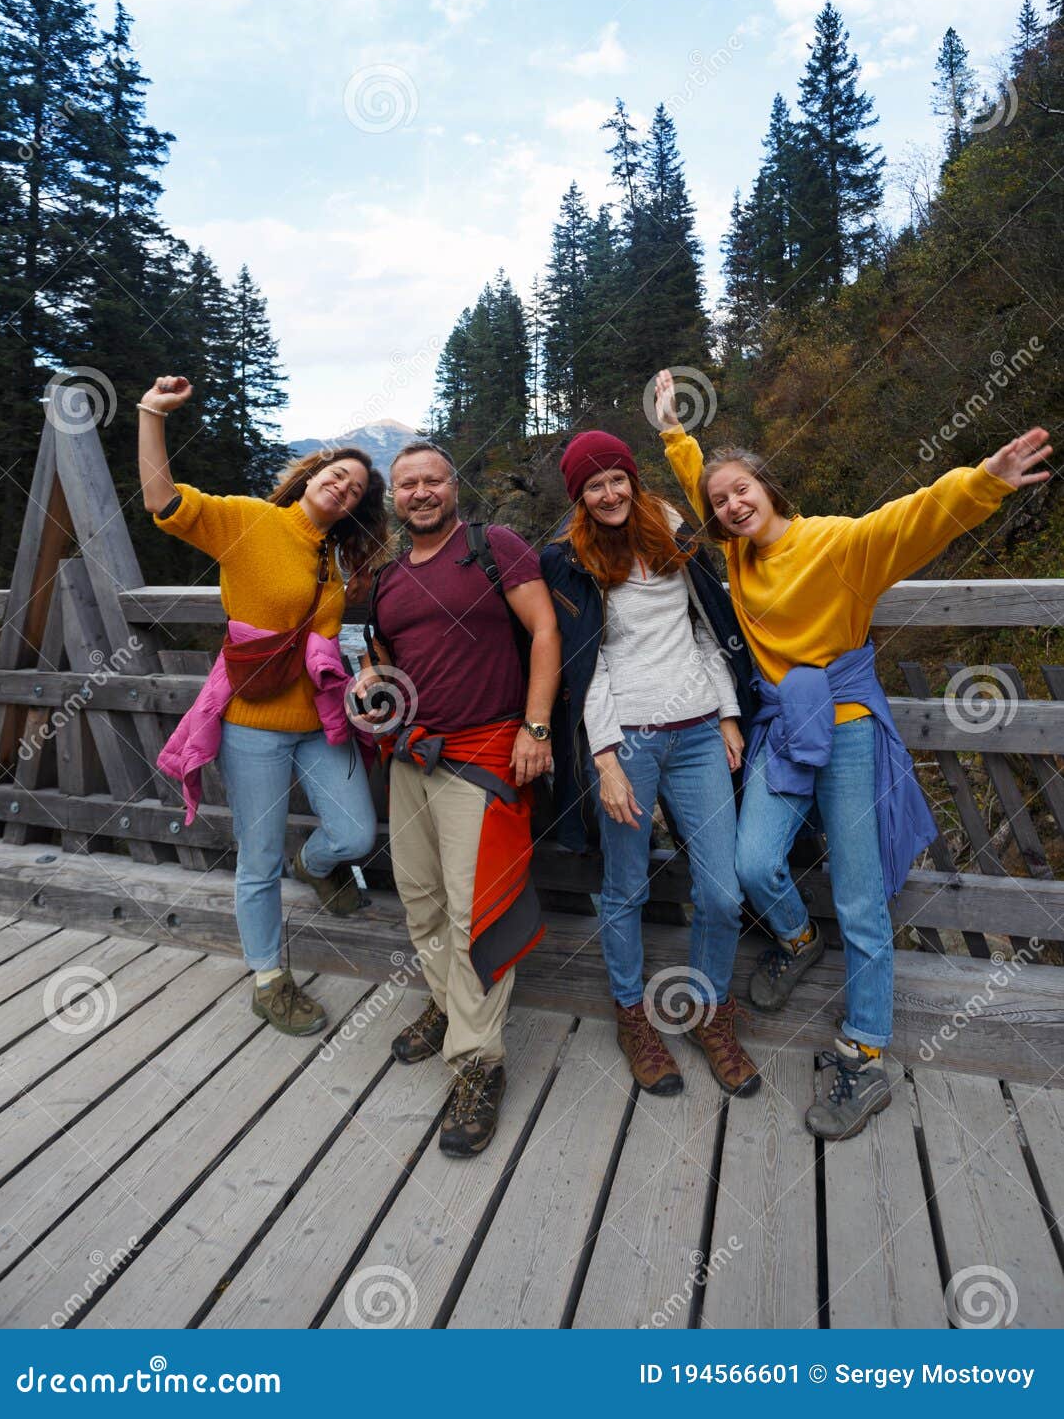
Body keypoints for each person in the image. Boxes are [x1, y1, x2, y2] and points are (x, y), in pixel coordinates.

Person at [654, 368, 1051, 1139]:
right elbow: (699, 475)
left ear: (770, 489)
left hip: (843, 727)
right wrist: (674, 433)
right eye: (722, 501)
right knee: (749, 863)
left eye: (745, 492)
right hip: (781, 728)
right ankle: (798, 939)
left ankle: (863, 1052)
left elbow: (911, 520)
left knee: (862, 898)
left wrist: (985, 482)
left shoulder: (834, 542)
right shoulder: (736, 557)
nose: (732, 504)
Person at [138, 373, 387, 1037]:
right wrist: (150, 414)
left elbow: (331, 637)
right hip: (253, 725)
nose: (344, 488)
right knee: (257, 857)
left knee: (357, 834)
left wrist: (360, 674)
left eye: (357, 489)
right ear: (310, 477)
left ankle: (321, 863)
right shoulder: (249, 521)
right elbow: (162, 503)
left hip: (320, 721)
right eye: (337, 476)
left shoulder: (335, 561)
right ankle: (267, 978)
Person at [355, 442, 560, 1157]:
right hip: (411, 755)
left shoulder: (491, 547)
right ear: (394, 497)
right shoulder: (384, 581)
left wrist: (535, 726)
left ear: (453, 486)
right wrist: (368, 679)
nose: (420, 492)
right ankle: (446, 1008)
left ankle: (478, 1064)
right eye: (406, 483)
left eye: (432, 480)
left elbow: (543, 630)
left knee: (479, 908)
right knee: (420, 898)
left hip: (484, 752)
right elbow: (381, 654)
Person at [542, 430, 761, 1099]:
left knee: (722, 892)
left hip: (696, 733)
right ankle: (632, 1017)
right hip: (629, 739)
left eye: (616, 478)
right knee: (626, 888)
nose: (607, 493)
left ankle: (707, 1013)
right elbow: (588, 665)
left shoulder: (672, 532)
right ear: (578, 496)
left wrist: (726, 712)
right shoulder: (570, 558)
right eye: (592, 485)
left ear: (632, 480)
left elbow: (702, 628)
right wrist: (604, 760)